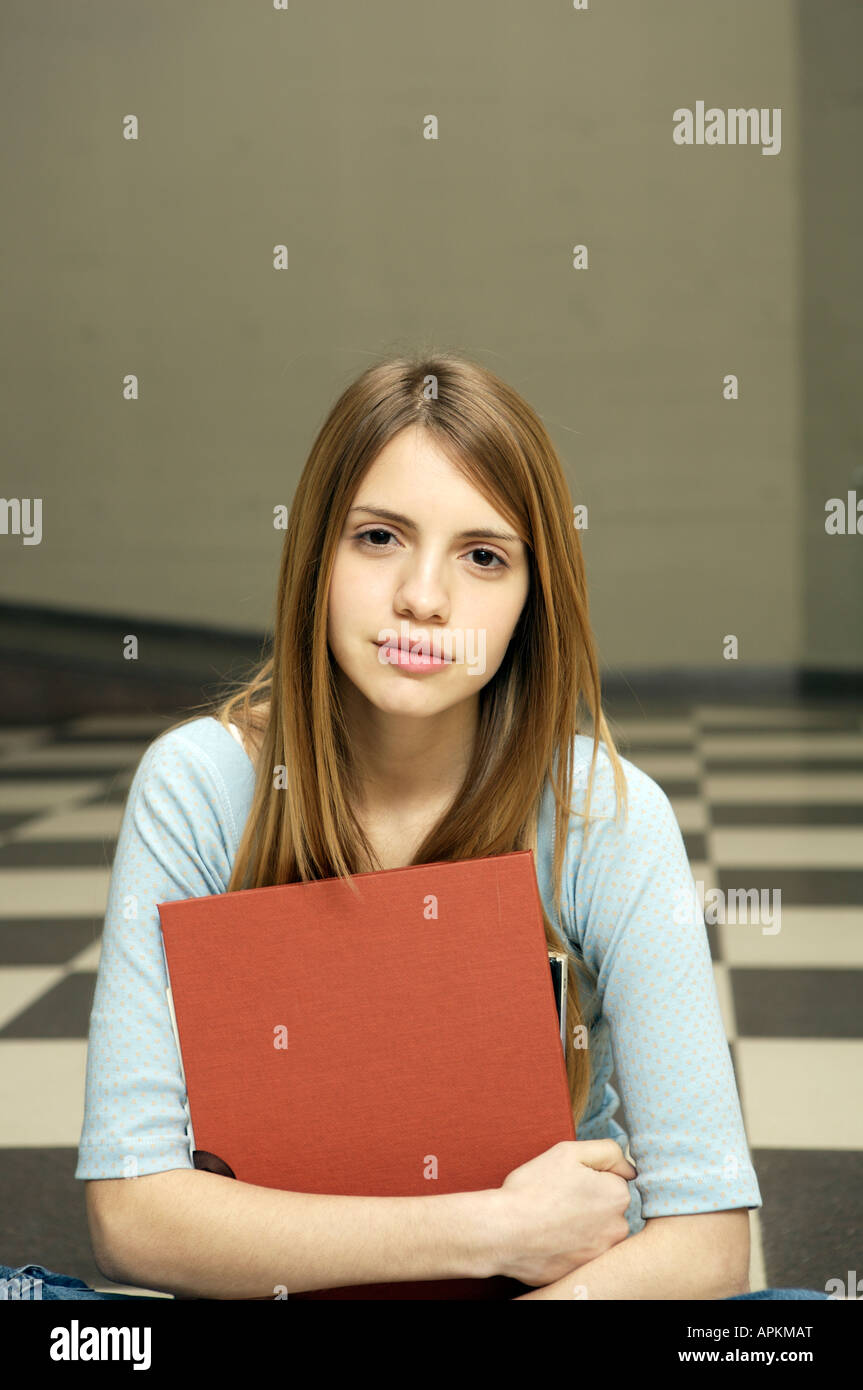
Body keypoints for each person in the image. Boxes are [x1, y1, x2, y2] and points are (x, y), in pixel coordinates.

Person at [13, 354, 832, 1301]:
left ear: (532, 599)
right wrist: (491, 1229)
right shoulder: (198, 786)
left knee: (792, 1328)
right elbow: (133, 1217)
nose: (423, 599)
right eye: (379, 538)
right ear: (316, 555)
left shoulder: (603, 813)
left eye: (483, 556)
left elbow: (706, 1246)